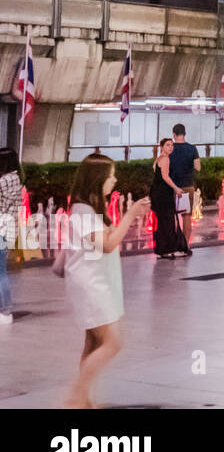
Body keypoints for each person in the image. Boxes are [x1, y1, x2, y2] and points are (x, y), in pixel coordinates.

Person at [62, 154, 152, 407]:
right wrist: (132, 213)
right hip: (90, 285)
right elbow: (108, 245)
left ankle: (83, 398)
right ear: (97, 179)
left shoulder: (89, 209)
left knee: (94, 342)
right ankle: (76, 396)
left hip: (96, 281)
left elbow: (102, 239)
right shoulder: (82, 210)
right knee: (113, 342)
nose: (115, 180)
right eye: (111, 175)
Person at [150, 138, 190, 258]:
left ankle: (162, 250)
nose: (171, 147)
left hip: (156, 193)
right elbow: (165, 177)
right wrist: (176, 188)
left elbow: (157, 177)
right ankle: (169, 249)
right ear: (162, 147)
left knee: (162, 222)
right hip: (163, 194)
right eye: (168, 145)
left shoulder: (157, 159)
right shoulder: (165, 159)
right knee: (168, 221)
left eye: (172, 145)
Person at [0, 147, 22, 326]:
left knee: (0, 274)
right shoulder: (16, 180)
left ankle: (5, 310)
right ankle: (5, 310)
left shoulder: (2, 181)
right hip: (8, 230)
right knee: (2, 272)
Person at [168, 123, 201, 246]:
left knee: (174, 216)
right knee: (187, 216)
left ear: (174, 135)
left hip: (173, 187)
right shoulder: (192, 149)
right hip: (188, 186)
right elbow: (198, 167)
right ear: (184, 134)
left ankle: (174, 243)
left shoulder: (170, 149)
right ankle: (186, 244)